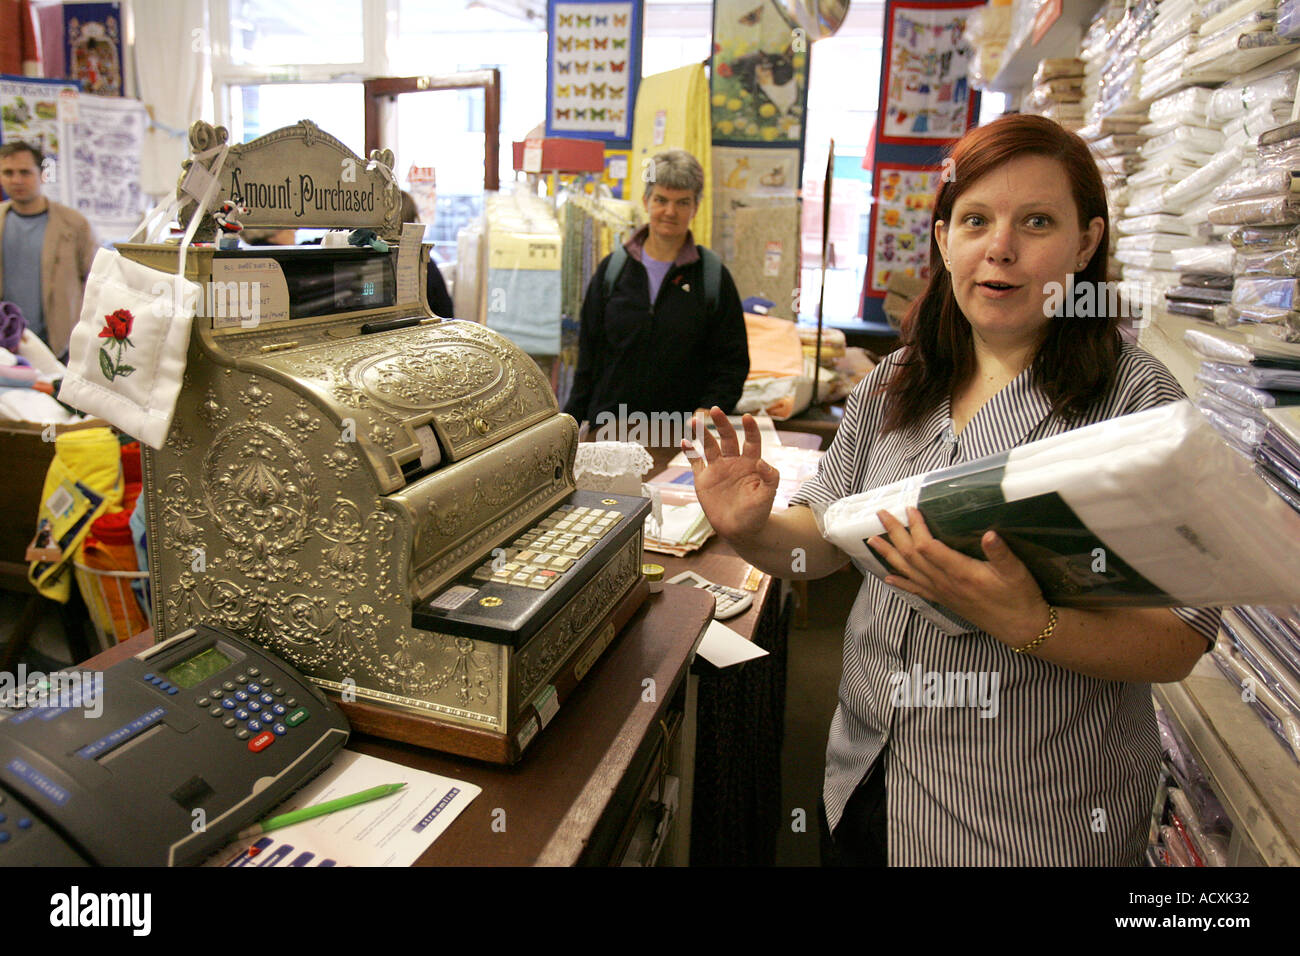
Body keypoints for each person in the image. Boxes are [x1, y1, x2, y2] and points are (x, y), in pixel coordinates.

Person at [685, 114, 1221, 866]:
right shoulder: (897, 382)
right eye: (976, 220)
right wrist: (753, 530)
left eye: (1037, 222)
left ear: (1087, 242)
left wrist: (1031, 623)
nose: (1000, 247)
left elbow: (1181, 637)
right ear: (945, 240)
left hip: (1025, 819)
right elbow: (824, 542)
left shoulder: (1137, 405)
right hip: (865, 774)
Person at [563, 148, 748, 434]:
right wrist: (571, 425)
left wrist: (710, 409)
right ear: (646, 200)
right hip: (611, 431)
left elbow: (732, 363)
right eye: (661, 200)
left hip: (681, 438)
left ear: (695, 207)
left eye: (682, 202)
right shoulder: (612, 271)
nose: (670, 212)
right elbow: (588, 358)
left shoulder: (712, 277)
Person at [0, 140, 98, 359]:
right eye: (8, 172)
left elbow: (95, 281)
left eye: (25, 172)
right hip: (6, 346)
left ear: (42, 174)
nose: (16, 180)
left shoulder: (74, 224)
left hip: (60, 344)